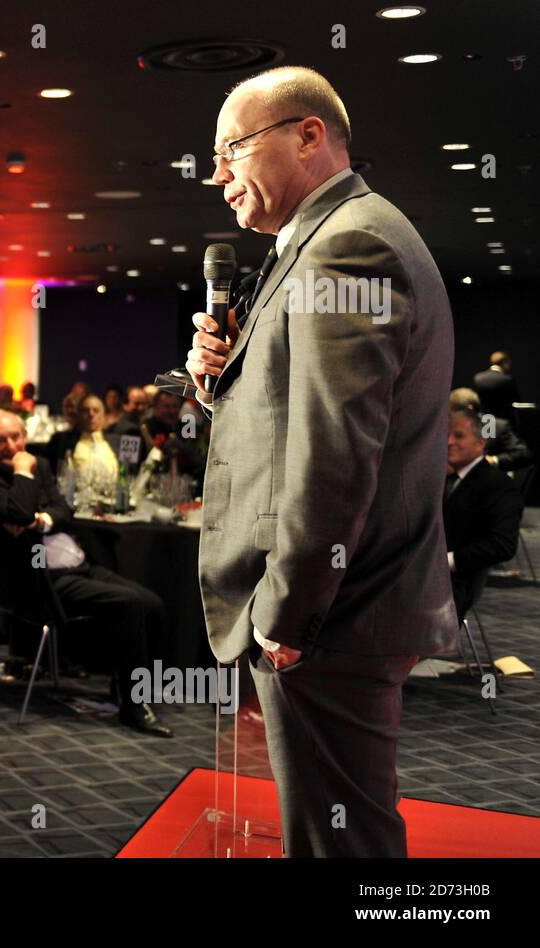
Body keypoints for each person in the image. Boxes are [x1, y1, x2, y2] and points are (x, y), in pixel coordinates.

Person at [186, 66, 458, 856]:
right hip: (346, 605)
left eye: (230, 148)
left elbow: (336, 453)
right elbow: (293, 412)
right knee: (342, 825)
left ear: (308, 135)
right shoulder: (317, 241)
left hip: (334, 610)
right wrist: (219, 381)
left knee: (342, 839)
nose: (217, 175)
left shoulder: (349, 246)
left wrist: (287, 612)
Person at [0, 411, 170, 737]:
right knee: (129, 603)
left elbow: (64, 510)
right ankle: (134, 706)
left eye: (15, 437)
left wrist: (43, 520)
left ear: (25, 436)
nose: (11, 446)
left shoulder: (43, 466)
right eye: (0, 440)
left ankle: (128, 684)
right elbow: (19, 511)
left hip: (78, 565)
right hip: (39, 581)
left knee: (152, 603)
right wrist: (22, 473)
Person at [444, 410, 524, 620]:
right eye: (446, 435)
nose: (449, 441)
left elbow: (503, 545)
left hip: (453, 585)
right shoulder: (446, 479)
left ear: (480, 443)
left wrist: (447, 560)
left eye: (459, 436)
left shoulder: (498, 486)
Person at [448, 387, 533, 472]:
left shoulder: (494, 425)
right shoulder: (447, 425)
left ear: (470, 409)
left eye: (454, 411)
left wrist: (493, 460)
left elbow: (522, 454)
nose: (450, 415)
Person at [472, 352, 520, 424]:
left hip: (483, 423)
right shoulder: (507, 380)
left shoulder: (478, 378)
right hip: (503, 423)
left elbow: (475, 401)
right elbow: (516, 400)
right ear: (505, 363)